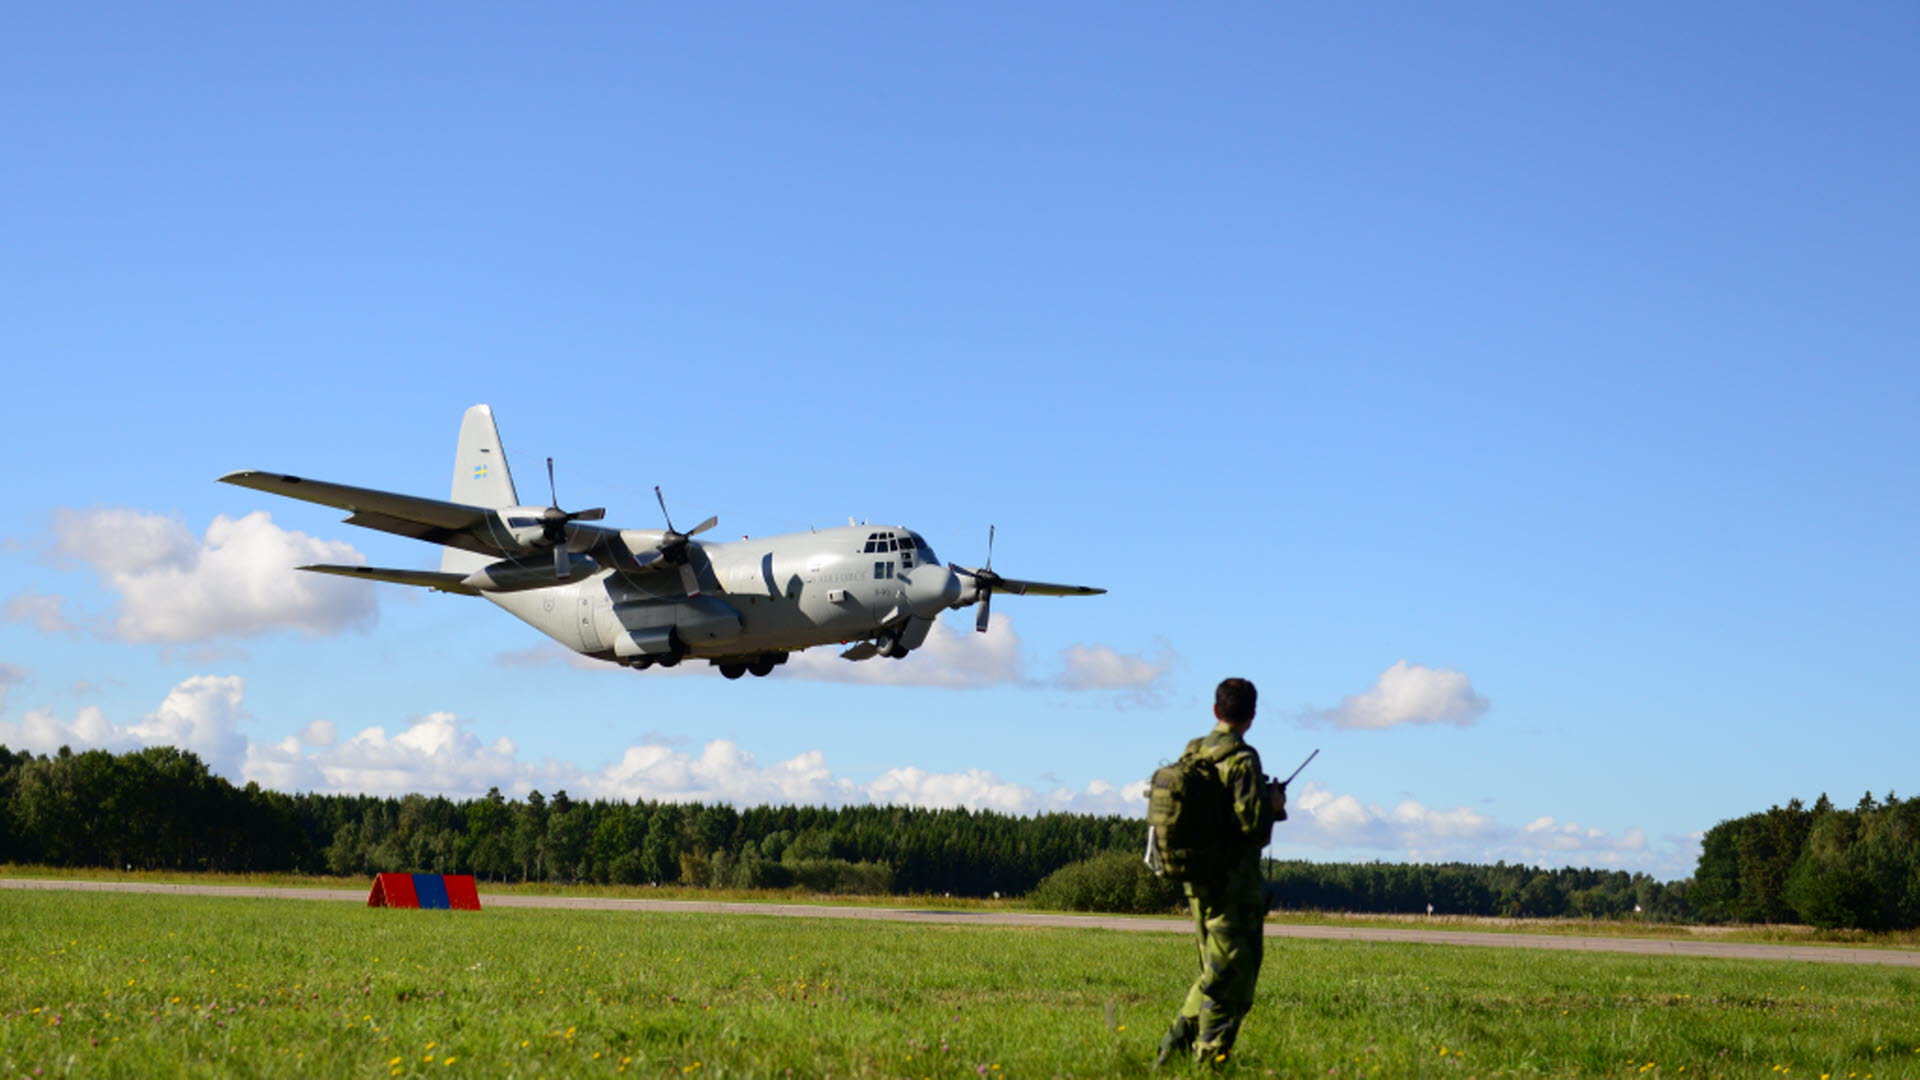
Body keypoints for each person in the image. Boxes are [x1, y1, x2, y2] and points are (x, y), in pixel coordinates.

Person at [1157, 676, 1286, 1068]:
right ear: (1252, 715)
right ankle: (1208, 1062)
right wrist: (1274, 804)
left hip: (1199, 885)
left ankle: (1172, 1055)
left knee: (1212, 976)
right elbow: (1254, 830)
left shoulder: (1194, 753)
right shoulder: (1243, 760)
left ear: (1216, 710)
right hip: (1232, 890)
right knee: (1231, 986)